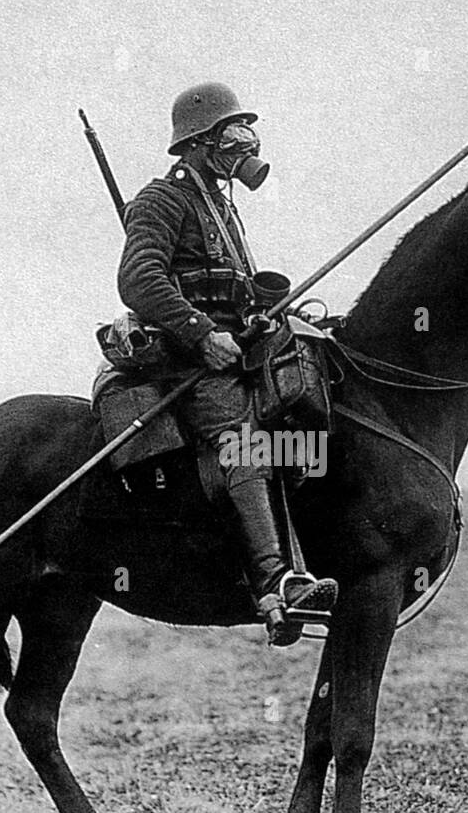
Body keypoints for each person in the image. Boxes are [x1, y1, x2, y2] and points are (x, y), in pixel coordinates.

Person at [116, 82, 336, 645]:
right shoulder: (163, 200)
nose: (245, 147)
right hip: (187, 361)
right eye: (233, 135)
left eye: (247, 135)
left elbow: (225, 286)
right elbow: (139, 279)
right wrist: (201, 332)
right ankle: (274, 583)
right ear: (199, 142)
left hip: (235, 347)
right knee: (241, 436)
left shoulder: (219, 206)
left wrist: (264, 310)